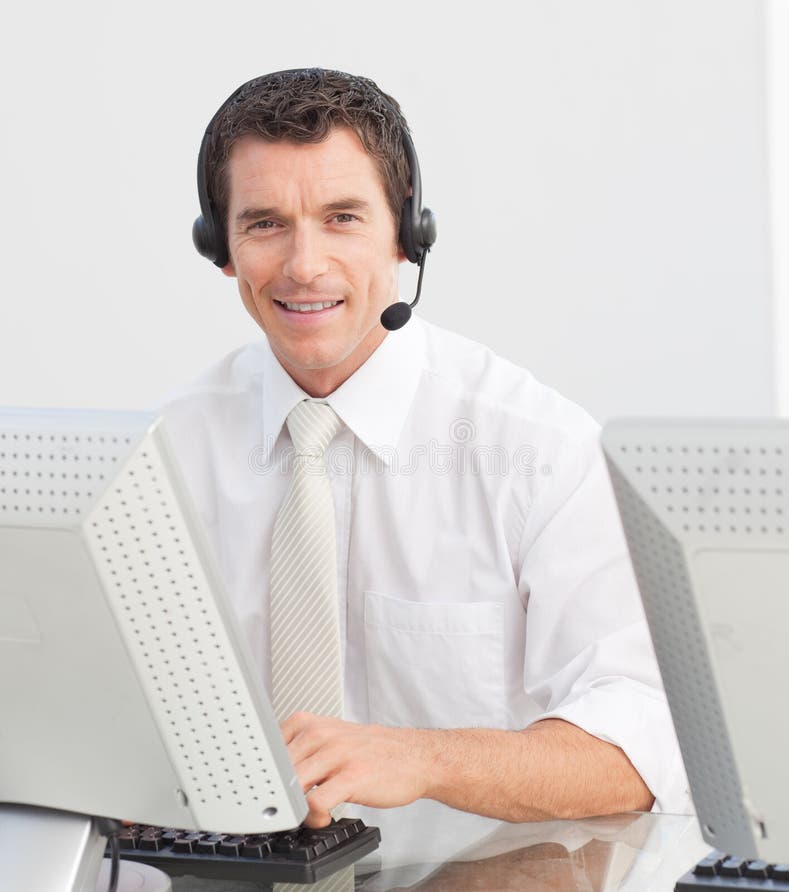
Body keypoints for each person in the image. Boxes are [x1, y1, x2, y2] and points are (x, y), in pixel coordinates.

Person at [161, 68, 688, 840]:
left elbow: (643, 747)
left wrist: (425, 758)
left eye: (342, 217)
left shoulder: (539, 451)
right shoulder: (167, 452)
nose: (304, 264)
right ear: (221, 247)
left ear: (409, 237)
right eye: (266, 223)